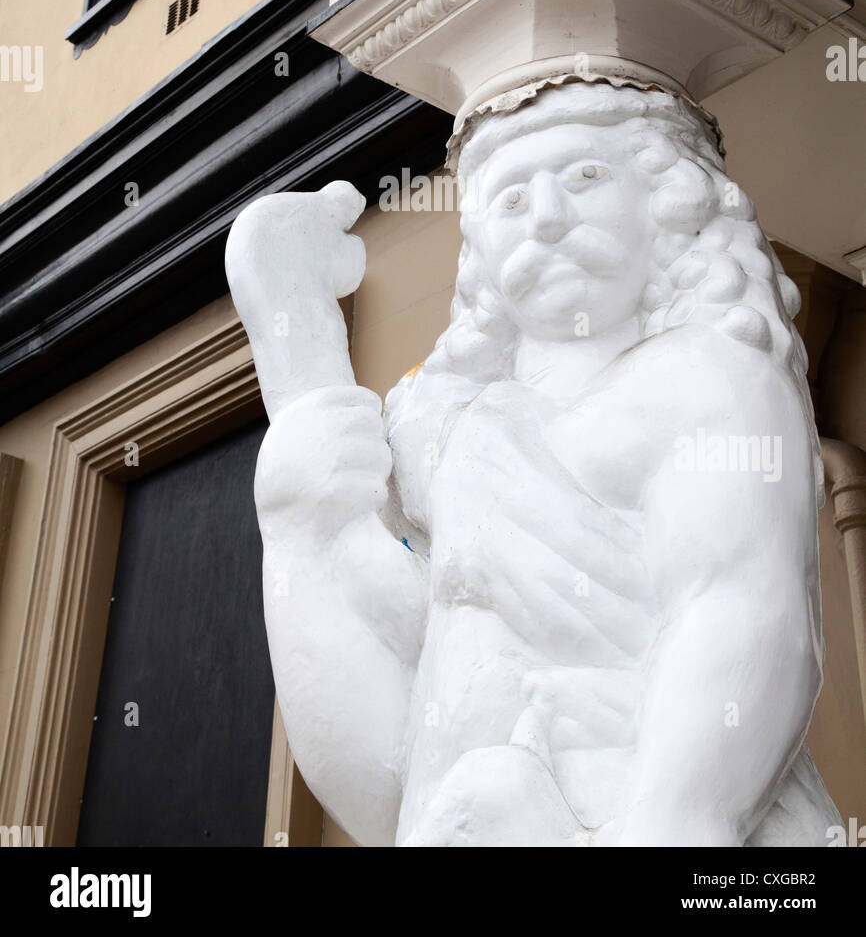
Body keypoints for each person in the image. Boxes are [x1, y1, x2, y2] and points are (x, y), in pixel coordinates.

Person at [226, 79, 842, 846]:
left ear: (669, 201)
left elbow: (743, 611)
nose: (547, 218)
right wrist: (300, 515)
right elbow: (399, 741)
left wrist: (675, 821)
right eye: (511, 199)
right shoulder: (447, 440)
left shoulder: (710, 382)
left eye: (586, 177)